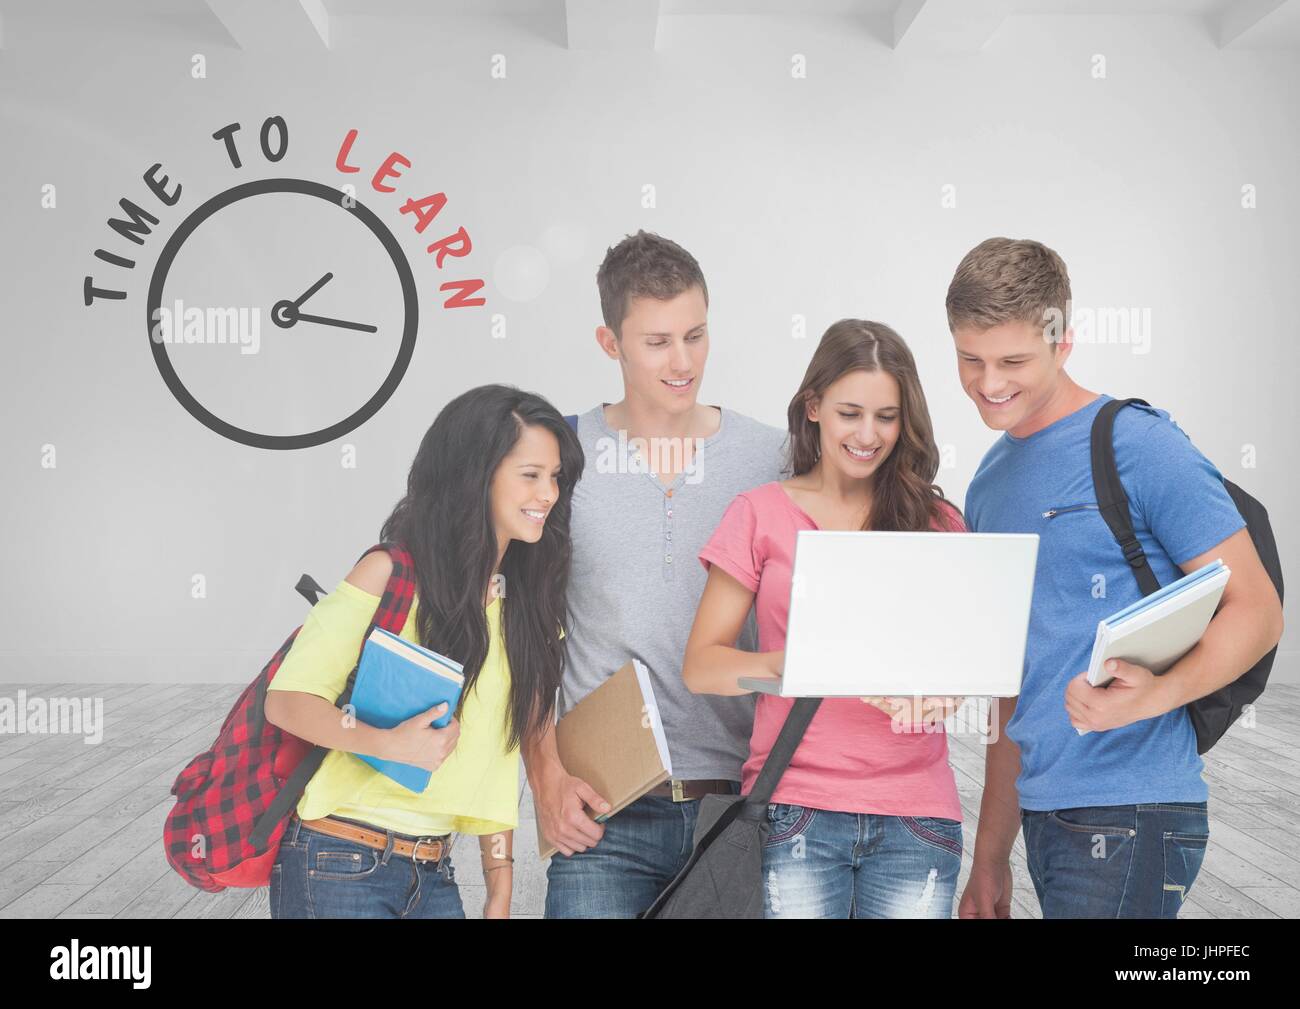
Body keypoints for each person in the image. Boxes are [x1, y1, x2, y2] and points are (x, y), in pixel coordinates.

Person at [949, 237, 1284, 919]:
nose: (989, 383)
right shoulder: (986, 485)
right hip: (1047, 815)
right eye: (970, 358)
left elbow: (1258, 610)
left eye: (1013, 360)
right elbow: (1014, 683)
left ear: (1064, 341)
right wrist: (989, 857)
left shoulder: (1137, 443)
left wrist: (1157, 693)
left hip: (1134, 807)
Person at [525, 230, 789, 918]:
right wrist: (545, 775)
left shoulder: (774, 458)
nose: (683, 361)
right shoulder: (558, 452)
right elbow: (520, 633)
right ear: (609, 343)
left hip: (738, 811)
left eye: (696, 336)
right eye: (658, 342)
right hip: (604, 811)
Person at [263, 384, 584, 918]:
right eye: (530, 475)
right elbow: (288, 701)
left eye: (555, 478)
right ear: (474, 476)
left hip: (433, 871)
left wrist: (500, 887)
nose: (548, 494)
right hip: (337, 859)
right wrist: (386, 743)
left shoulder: (523, 609)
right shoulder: (389, 573)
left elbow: (496, 762)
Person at [683, 319, 968, 919]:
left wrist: (943, 693)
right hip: (797, 809)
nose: (869, 434)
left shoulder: (939, 524)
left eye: (886, 416)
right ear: (813, 407)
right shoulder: (760, 514)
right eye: (850, 413)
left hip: (919, 817)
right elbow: (702, 667)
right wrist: (793, 667)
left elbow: (961, 667)